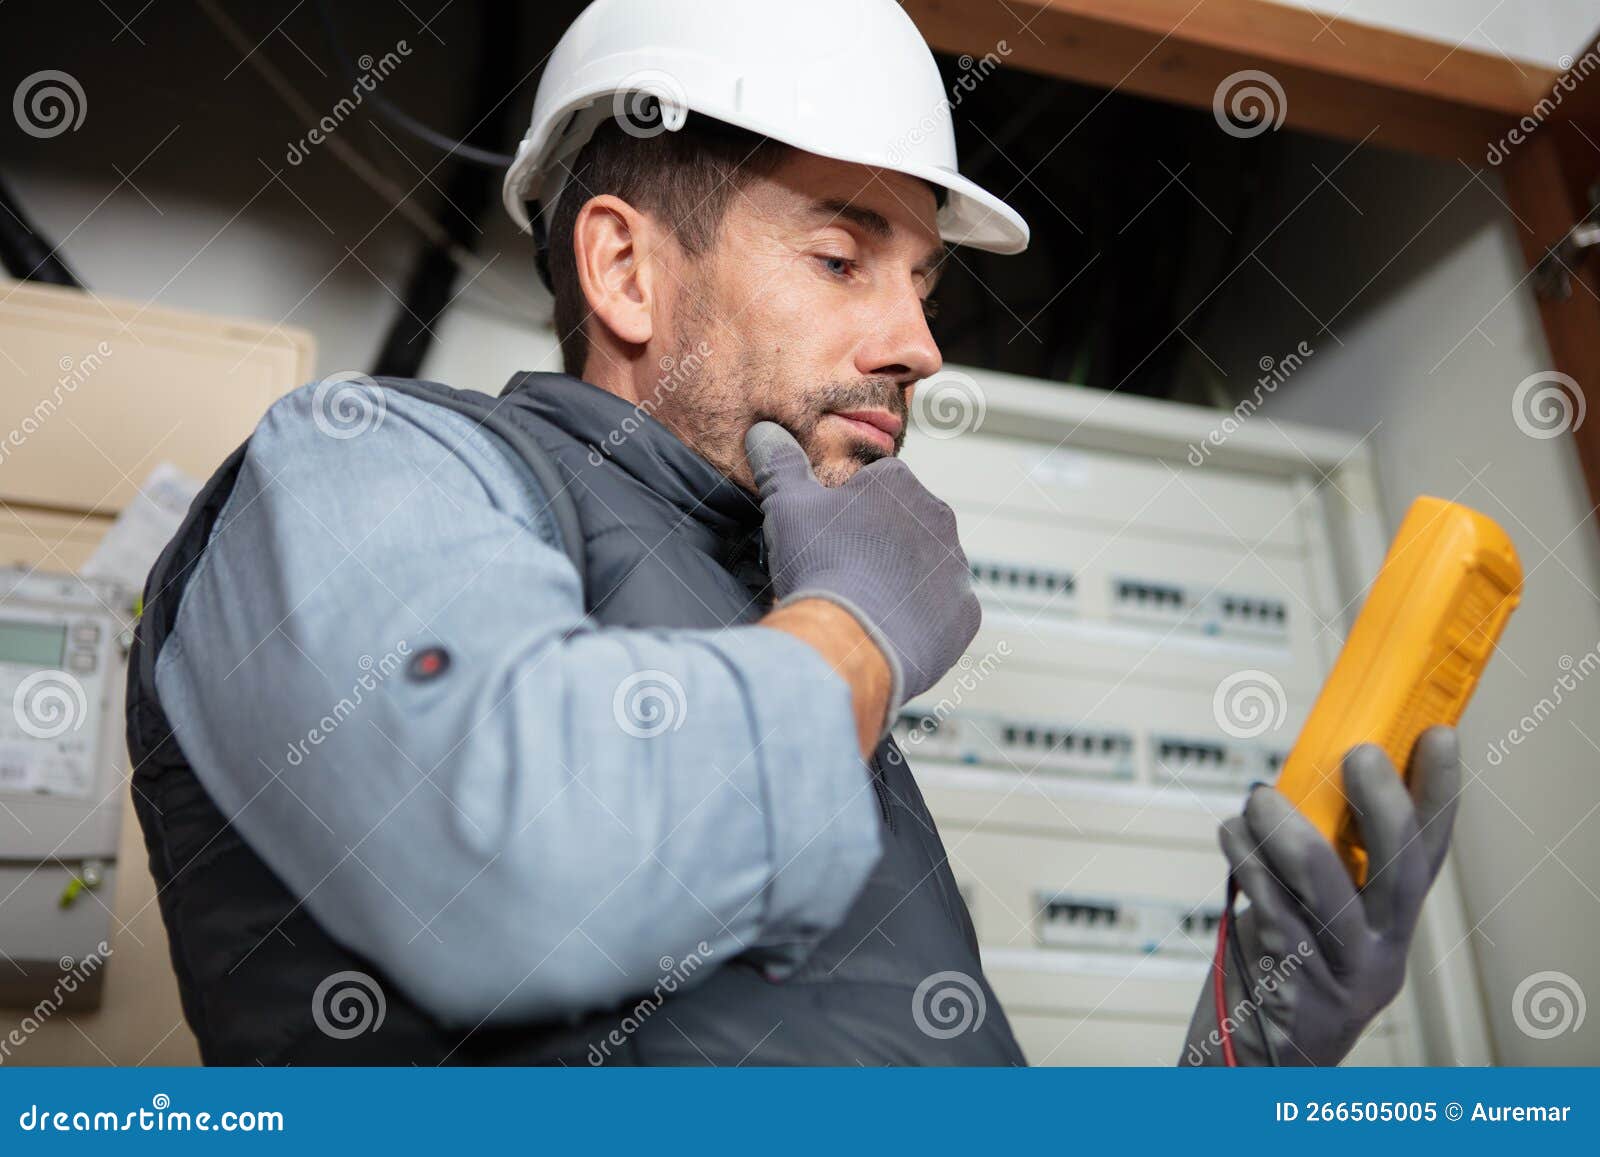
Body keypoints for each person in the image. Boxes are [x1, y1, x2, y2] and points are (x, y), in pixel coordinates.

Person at [126, 0, 1460, 1066]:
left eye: (924, 280)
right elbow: (504, 868)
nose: (921, 345)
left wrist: (1253, 1057)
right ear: (625, 269)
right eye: (842, 257)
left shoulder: (768, 613)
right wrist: (856, 635)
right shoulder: (368, 460)